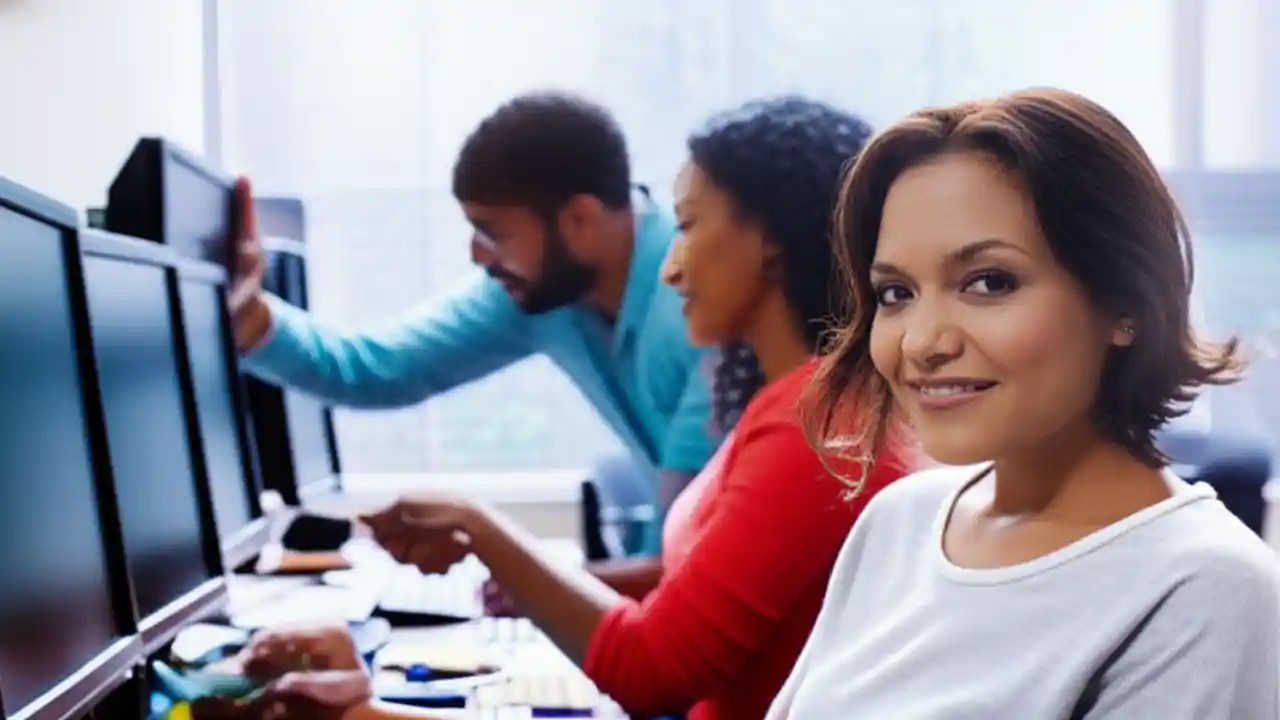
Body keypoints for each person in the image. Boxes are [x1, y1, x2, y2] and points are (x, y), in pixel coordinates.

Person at [236, 96, 914, 720]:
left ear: (767, 240)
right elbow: (379, 367)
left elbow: (653, 670)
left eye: (689, 225)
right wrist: (368, 711)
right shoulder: (788, 400)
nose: (673, 267)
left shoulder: (815, 422)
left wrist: (481, 529)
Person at [768, 88, 1280, 718]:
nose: (923, 342)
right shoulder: (899, 521)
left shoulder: (1204, 588)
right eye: (896, 293)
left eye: (989, 282)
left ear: (1125, 303)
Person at [228, 92, 720, 553]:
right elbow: (377, 369)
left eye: (493, 233)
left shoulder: (706, 307)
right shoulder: (547, 288)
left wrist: (516, 569)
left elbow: (690, 568)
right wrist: (251, 319)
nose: (477, 255)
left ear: (580, 219)